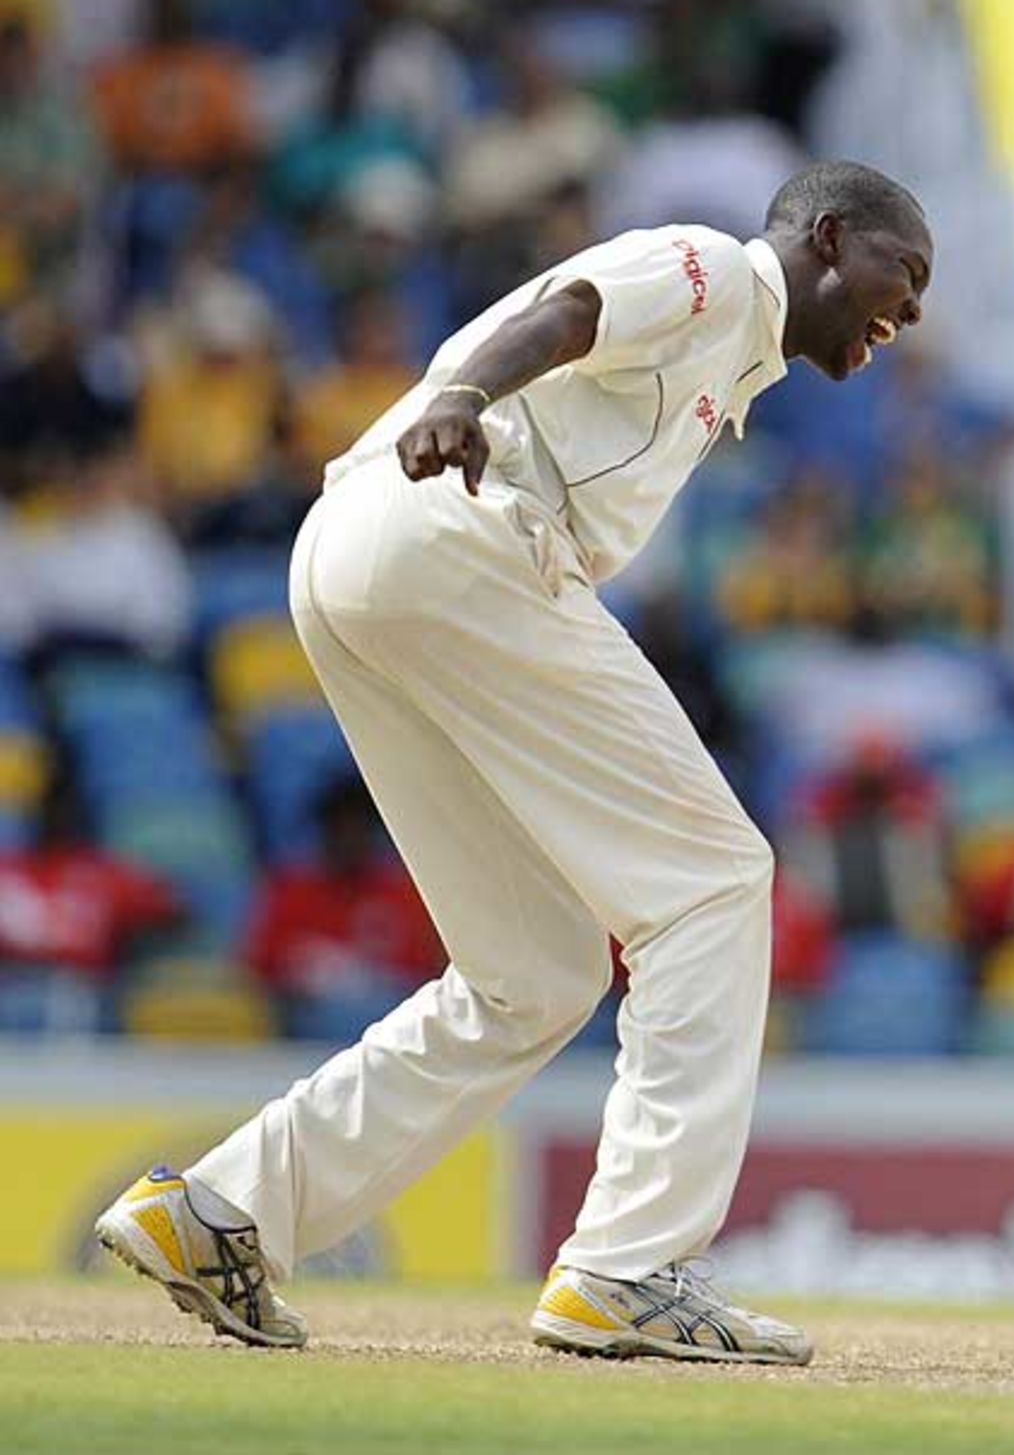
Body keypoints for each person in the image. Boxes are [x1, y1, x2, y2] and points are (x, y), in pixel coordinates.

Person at [96, 159, 932, 1364]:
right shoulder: (719, 270)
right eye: (905, 272)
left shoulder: (733, 366)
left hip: (369, 555)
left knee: (534, 976)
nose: (911, 309)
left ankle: (224, 1210)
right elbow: (572, 308)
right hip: (455, 525)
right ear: (831, 238)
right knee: (715, 879)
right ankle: (631, 1265)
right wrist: (459, 395)